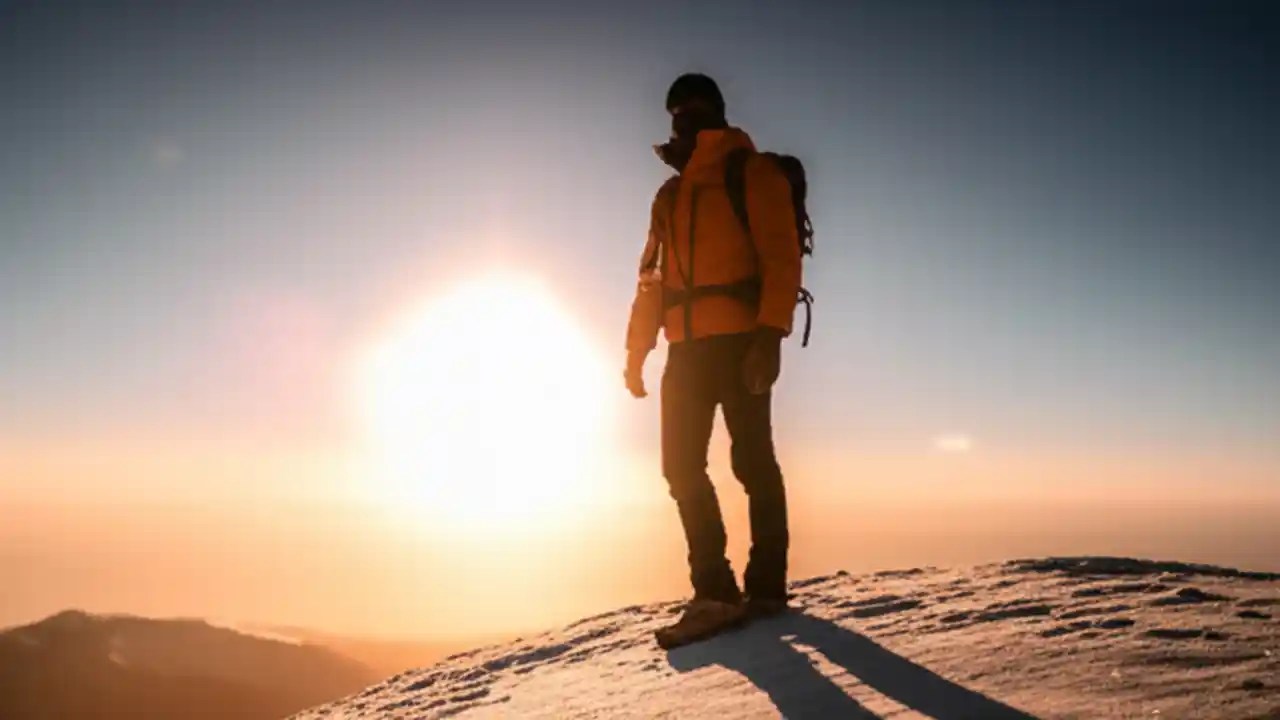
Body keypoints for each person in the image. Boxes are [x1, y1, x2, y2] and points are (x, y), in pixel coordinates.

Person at [625, 73, 802, 648]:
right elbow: (651, 282)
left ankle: (767, 586)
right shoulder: (669, 197)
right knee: (680, 467)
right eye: (676, 109)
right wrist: (636, 352)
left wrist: (770, 335)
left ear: (718, 112)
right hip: (685, 351)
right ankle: (715, 593)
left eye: (694, 108)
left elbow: (781, 256)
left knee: (753, 462)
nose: (683, 118)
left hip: (742, 340)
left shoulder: (751, 172)